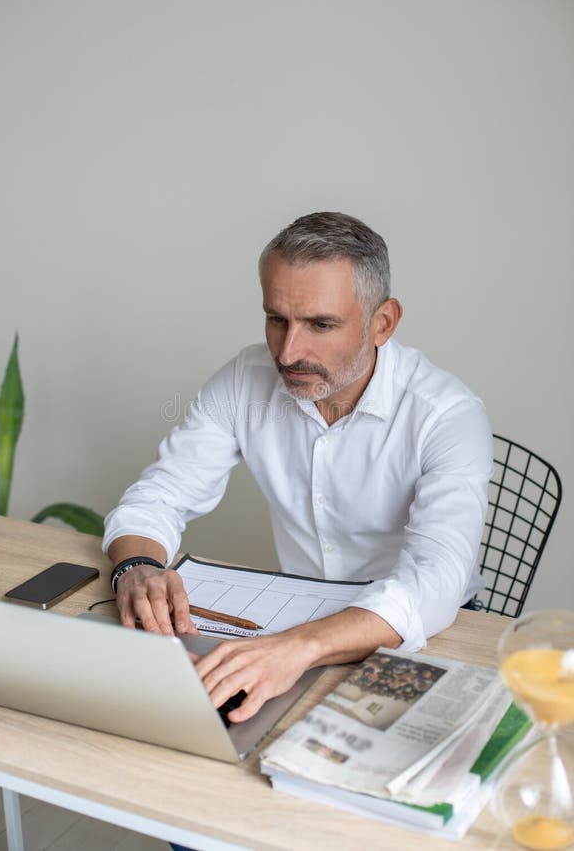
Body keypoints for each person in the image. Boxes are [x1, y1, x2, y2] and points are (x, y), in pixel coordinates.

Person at [103, 211, 493, 725]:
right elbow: (160, 495)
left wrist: (297, 648)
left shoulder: (448, 415)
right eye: (277, 319)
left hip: (417, 635)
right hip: (288, 622)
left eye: (320, 324)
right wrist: (137, 567)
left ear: (383, 323)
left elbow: (436, 579)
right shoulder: (245, 379)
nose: (289, 352)